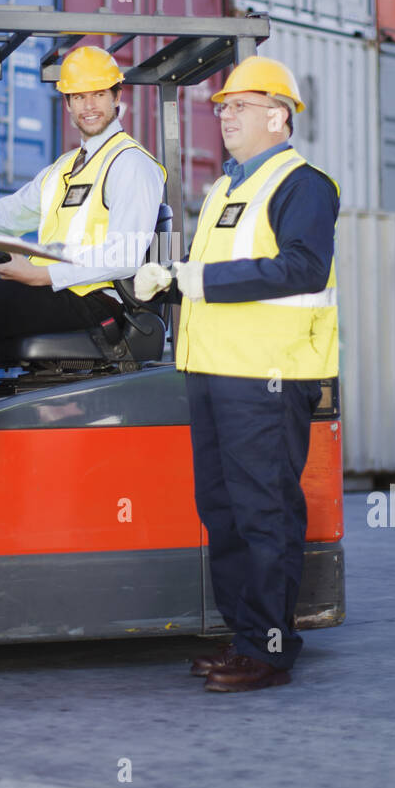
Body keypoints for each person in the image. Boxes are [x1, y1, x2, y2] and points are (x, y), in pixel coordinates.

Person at [135, 57, 340, 694]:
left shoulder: (302, 185)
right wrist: (166, 286)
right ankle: (245, 633)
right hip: (215, 372)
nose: (225, 116)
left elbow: (302, 268)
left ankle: (270, 649)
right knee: (222, 511)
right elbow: (219, 280)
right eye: (221, 107)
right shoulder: (226, 188)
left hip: (268, 377)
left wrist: (190, 278)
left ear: (279, 116)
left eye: (240, 106)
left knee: (264, 513)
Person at [0, 45, 166, 364]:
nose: (88, 106)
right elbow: (5, 216)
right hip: (54, 293)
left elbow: (125, 255)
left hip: (94, 300)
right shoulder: (63, 168)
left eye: (98, 94)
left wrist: (41, 275)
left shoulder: (131, 163)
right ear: (68, 105)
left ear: (117, 96)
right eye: (77, 97)